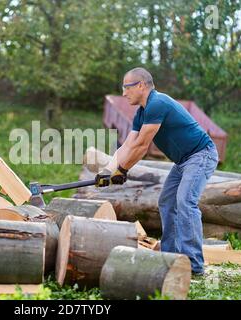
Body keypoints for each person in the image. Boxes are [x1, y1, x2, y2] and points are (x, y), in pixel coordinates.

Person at [95, 67, 219, 275]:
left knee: (185, 201)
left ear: (141, 85)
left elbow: (142, 146)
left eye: (126, 87)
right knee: (167, 201)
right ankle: (169, 256)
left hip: (201, 155)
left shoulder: (157, 103)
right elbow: (128, 144)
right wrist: (108, 170)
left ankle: (195, 266)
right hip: (183, 161)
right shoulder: (142, 112)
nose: (124, 93)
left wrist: (123, 169)